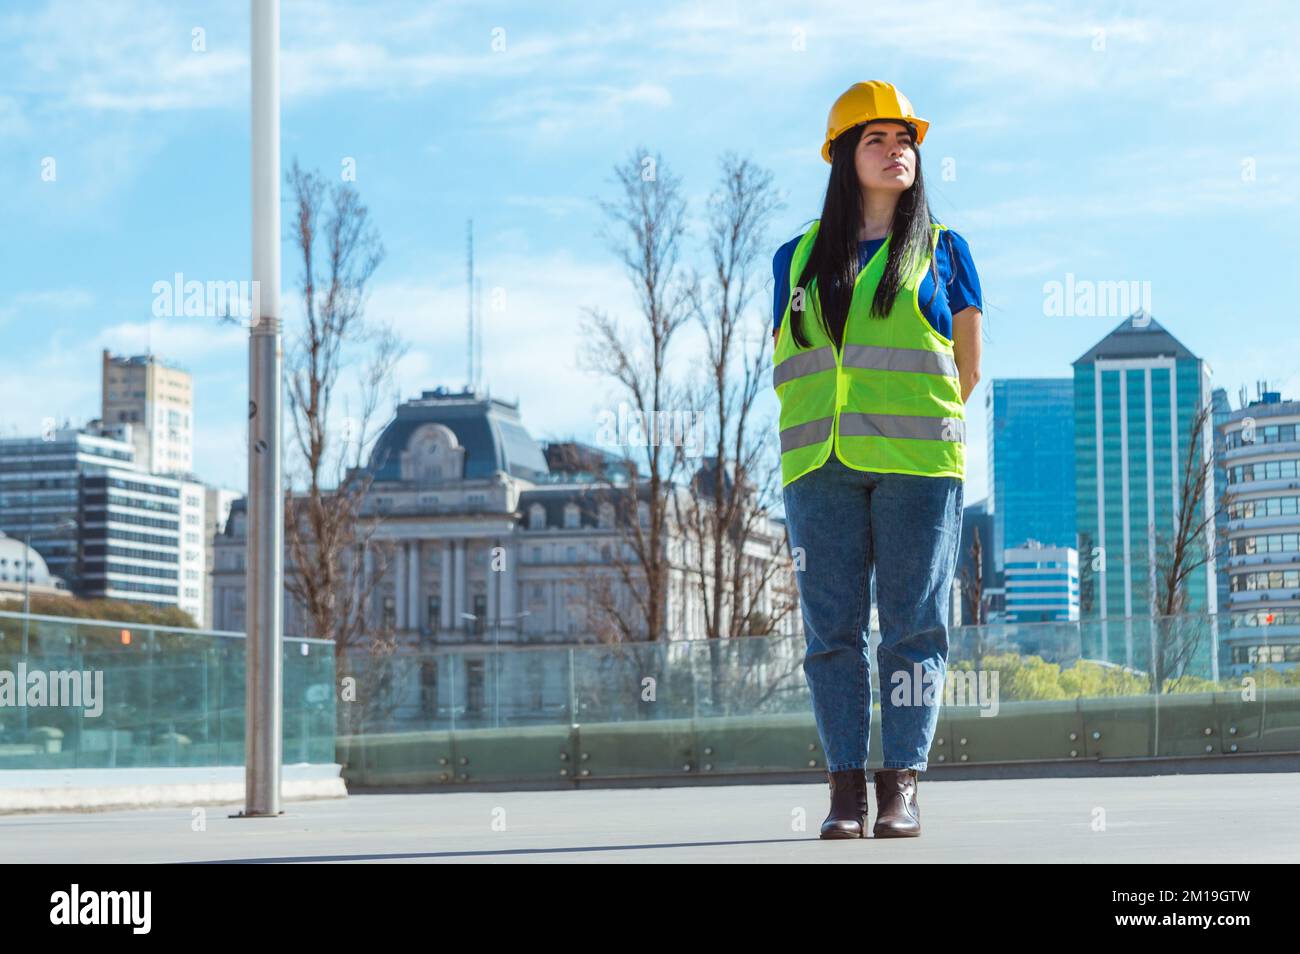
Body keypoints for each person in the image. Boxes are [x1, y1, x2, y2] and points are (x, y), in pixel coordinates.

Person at [772, 81, 983, 840]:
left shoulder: (944, 250)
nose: (898, 151)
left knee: (912, 626)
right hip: (816, 468)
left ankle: (902, 786)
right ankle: (842, 792)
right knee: (831, 633)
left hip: (917, 467)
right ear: (842, 159)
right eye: (877, 140)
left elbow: (966, 368)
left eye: (906, 140)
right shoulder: (792, 259)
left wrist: (913, 429)